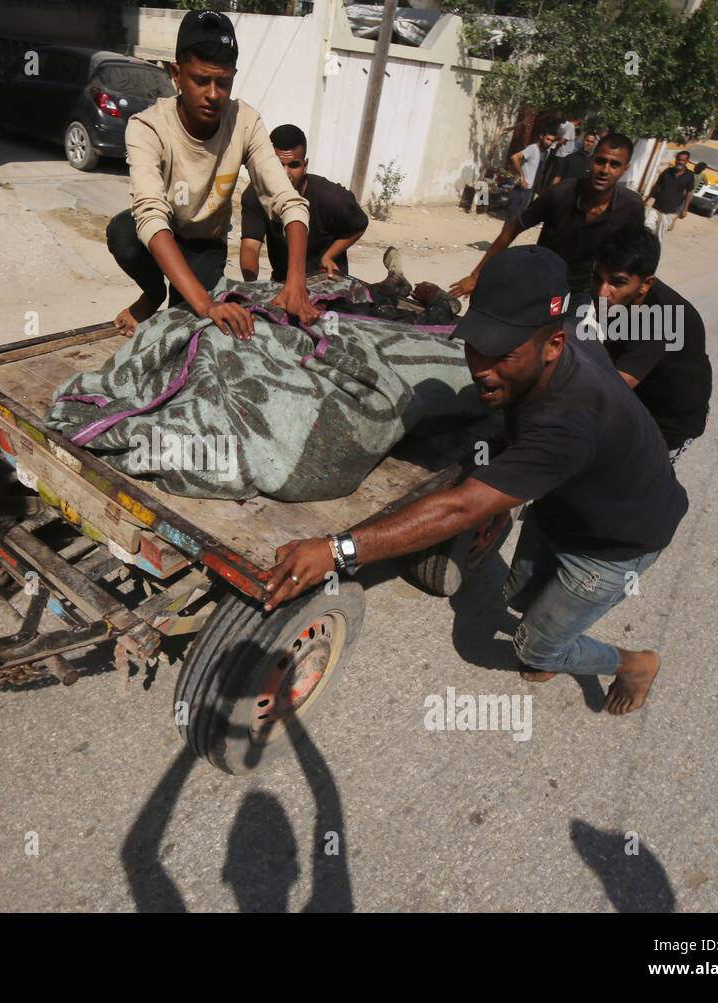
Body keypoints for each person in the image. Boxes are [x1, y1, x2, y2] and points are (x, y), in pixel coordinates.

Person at [265, 246, 684, 716]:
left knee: (535, 650)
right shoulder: (562, 337)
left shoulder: (568, 421)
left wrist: (336, 550)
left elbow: (461, 508)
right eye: (475, 344)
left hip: (615, 541)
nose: (481, 367)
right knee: (520, 594)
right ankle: (551, 627)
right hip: (569, 501)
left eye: (503, 353)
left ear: (553, 345)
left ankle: (632, 662)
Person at [106, 9, 317, 339]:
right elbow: (150, 216)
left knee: (185, 326)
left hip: (206, 243)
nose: (214, 94)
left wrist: (296, 282)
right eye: (201, 80)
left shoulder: (246, 122)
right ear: (177, 74)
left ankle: (177, 298)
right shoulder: (147, 127)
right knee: (123, 232)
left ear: (234, 76)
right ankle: (152, 293)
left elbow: (289, 201)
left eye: (224, 82)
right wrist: (206, 304)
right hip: (162, 237)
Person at [451, 133, 643, 320]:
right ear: (591, 160)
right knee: (520, 335)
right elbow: (511, 230)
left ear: (625, 169)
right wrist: (476, 276)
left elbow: (632, 256)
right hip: (539, 283)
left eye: (615, 164)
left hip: (580, 294)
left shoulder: (631, 207)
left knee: (560, 341)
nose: (605, 170)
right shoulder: (561, 193)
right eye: (601, 161)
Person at [590, 227, 712, 465]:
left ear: (646, 283)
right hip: (634, 402)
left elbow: (614, 386)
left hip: (668, 423)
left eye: (617, 282)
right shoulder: (616, 296)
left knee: (630, 485)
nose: (602, 291)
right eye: (597, 277)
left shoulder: (663, 319)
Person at [238, 124, 368, 282]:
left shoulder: (331, 197)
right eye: (279, 165)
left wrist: (328, 256)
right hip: (283, 282)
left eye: (293, 165)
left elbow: (359, 225)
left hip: (325, 281)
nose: (285, 174)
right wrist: (252, 288)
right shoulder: (256, 194)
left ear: (305, 166)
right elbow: (250, 247)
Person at [505, 119, 559, 224]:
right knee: (511, 220)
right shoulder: (533, 148)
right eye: (547, 139)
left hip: (530, 190)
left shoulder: (545, 152)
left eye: (552, 141)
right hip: (521, 189)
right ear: (541, 136)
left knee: (517, 221)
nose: (549, 142)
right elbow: (515, 157)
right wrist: (522, 177)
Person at [644, 149, 695, 242]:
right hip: (657, 206)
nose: (679, 162)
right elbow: (656, 186)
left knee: (659, 235)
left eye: (682, 160)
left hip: (670, 211)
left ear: (687, 161)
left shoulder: (690, 175)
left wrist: (685, 209)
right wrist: (647, 199)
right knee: (647, 226)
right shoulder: (667, 171)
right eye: (678, 159)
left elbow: (689, 192)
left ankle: (654, 251)